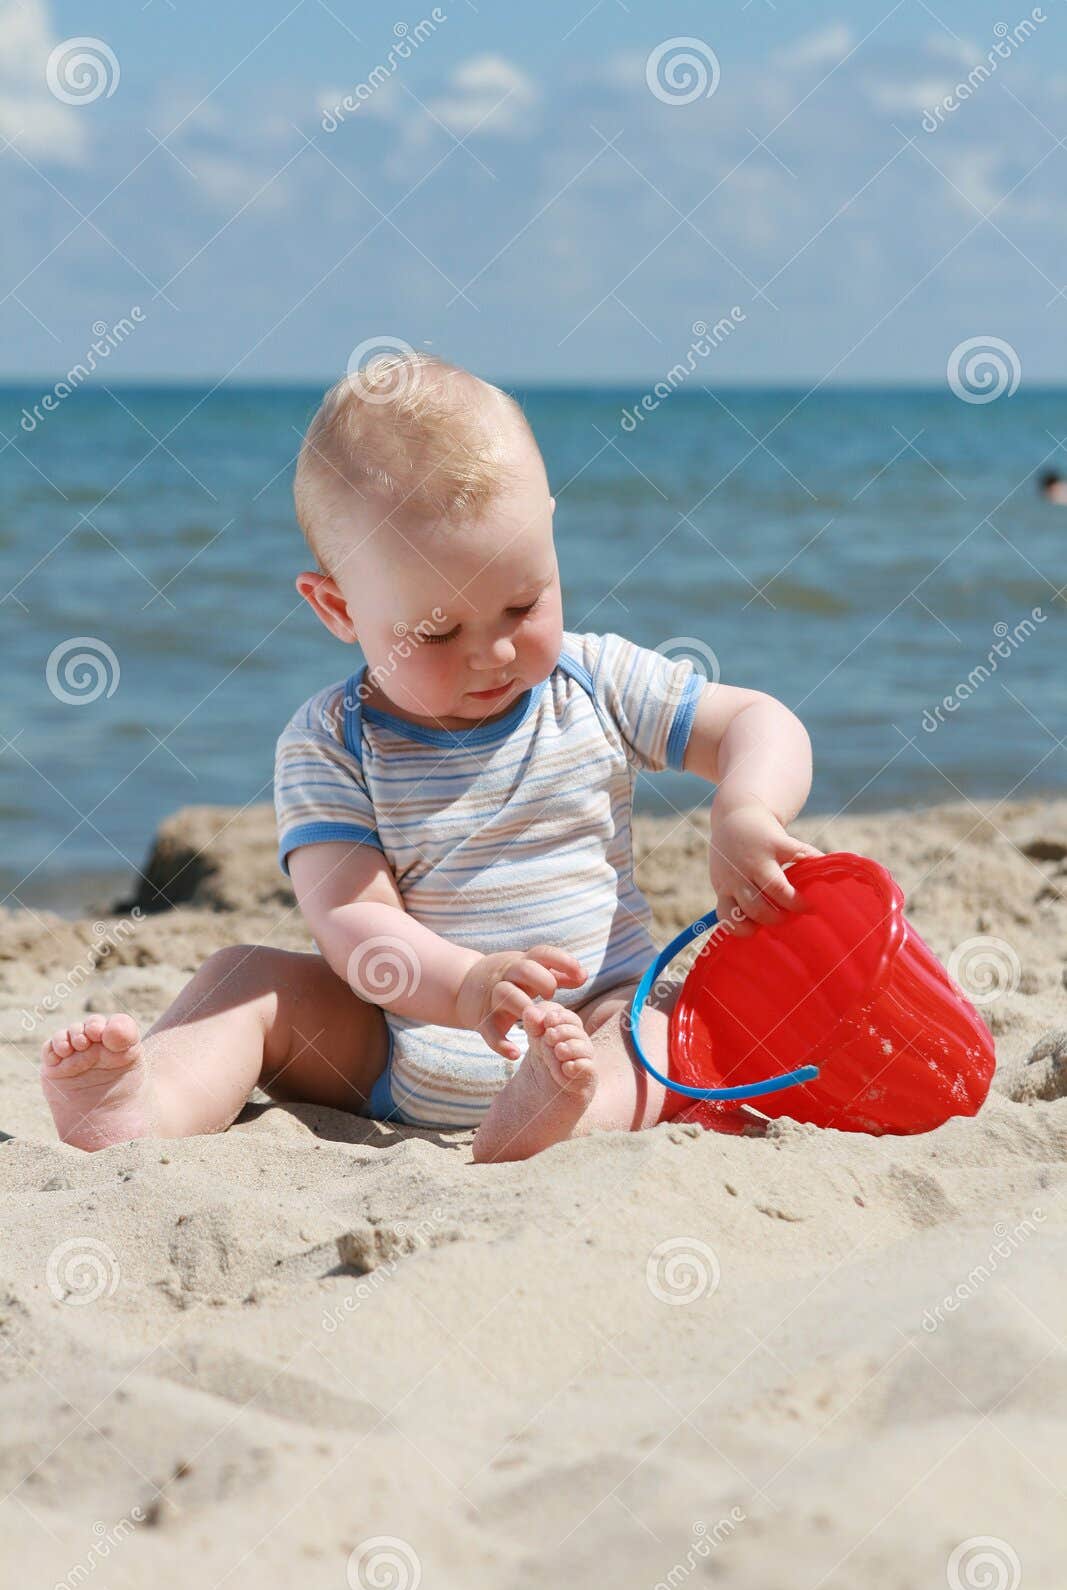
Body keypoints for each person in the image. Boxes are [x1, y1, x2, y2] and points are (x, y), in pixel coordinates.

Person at [40, 353, 816, 1162]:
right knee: (244, 979)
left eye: (524, 602)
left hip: (587, 1018)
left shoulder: (595, 681)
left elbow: (756, 722)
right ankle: (144, 1103)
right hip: (395, 1039)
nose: (494, 651)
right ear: (337, 607)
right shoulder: (333, 740)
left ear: (550, 535)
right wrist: (466, 986)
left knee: (660, 1028)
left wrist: (746, 806)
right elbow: (354, 922)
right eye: (438, 632)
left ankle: (557, 1117)